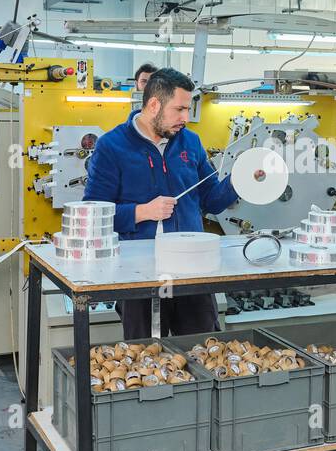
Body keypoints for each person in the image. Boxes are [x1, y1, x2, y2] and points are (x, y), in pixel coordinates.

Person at [83, 67, 239, 338]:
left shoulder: (190, 142)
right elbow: (93, 216)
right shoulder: (112, 146)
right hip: (139, 271)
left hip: (193, 268)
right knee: (145, 355)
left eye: (187, 109)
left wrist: (242, 180)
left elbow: (212, 200)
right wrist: (141, 212)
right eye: (179, 109)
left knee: (202, 347)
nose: (185, 118)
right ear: (154, 105)